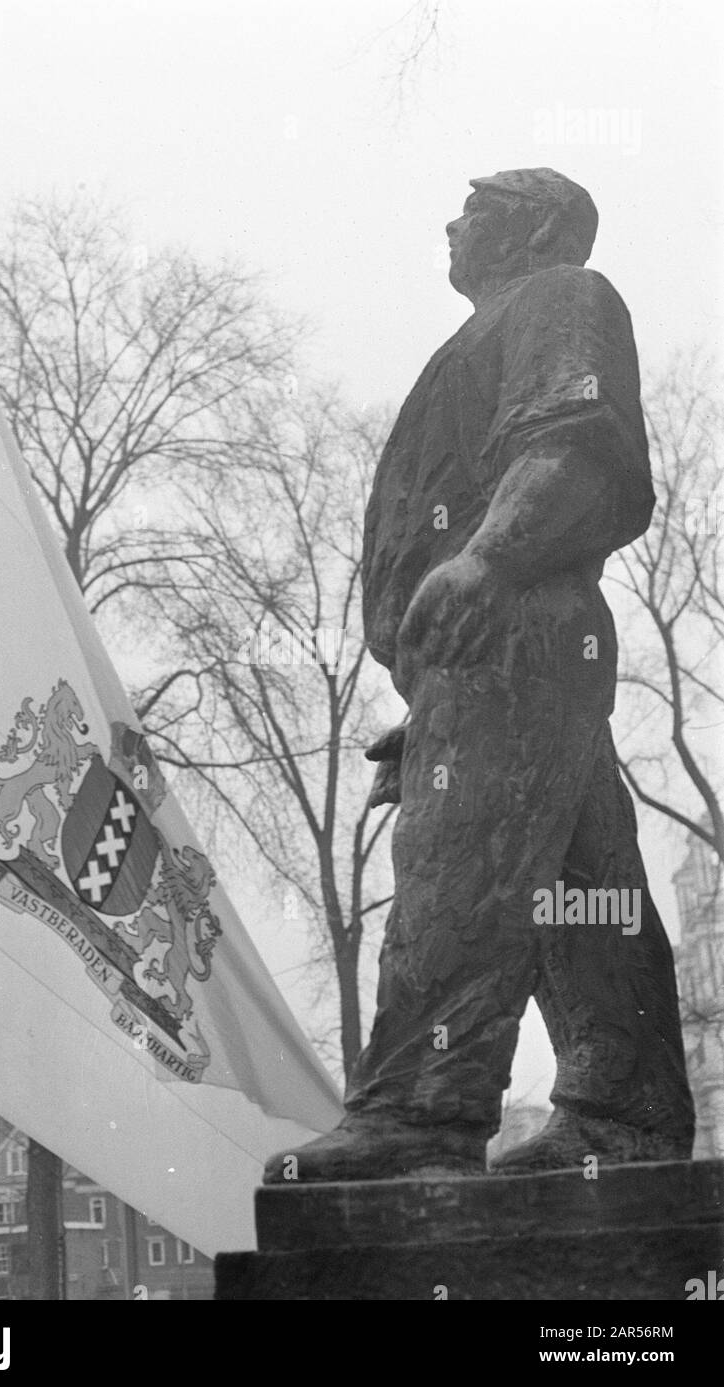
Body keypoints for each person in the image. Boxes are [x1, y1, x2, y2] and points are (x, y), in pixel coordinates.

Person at [264, 168, 694, 1184]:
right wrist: (431, 715)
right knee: (577, 885)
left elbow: (577, 446)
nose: (450, 224)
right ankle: (623, 1110)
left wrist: (491, 560)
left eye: (473, 210)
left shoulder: (559, 296)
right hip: (487, 650)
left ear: (532, 226)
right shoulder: (497, 324)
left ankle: (421, 1110)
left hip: (510, 622)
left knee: (462, 866)